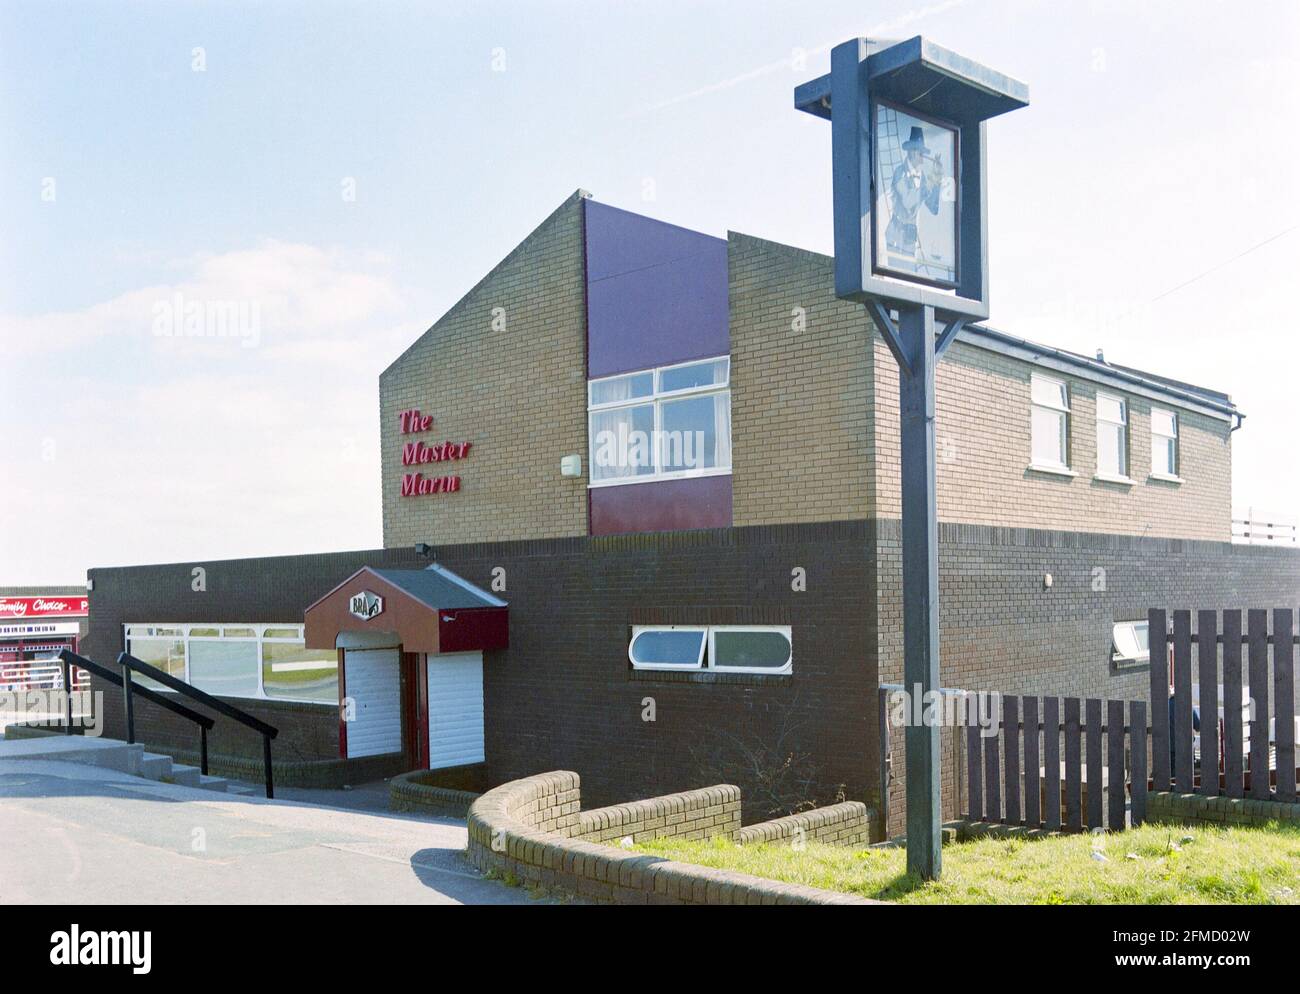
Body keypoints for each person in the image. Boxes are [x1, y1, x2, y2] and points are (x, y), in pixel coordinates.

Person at [885, 126, 943, 263]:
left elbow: (933, 207)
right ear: (912, 152)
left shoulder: (923, 178)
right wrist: (929, 184)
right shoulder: (900, 172)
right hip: (895, 235)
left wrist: (936, 177)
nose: (923, 158)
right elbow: (908, 201)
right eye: (921, 153)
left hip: (910, 237)